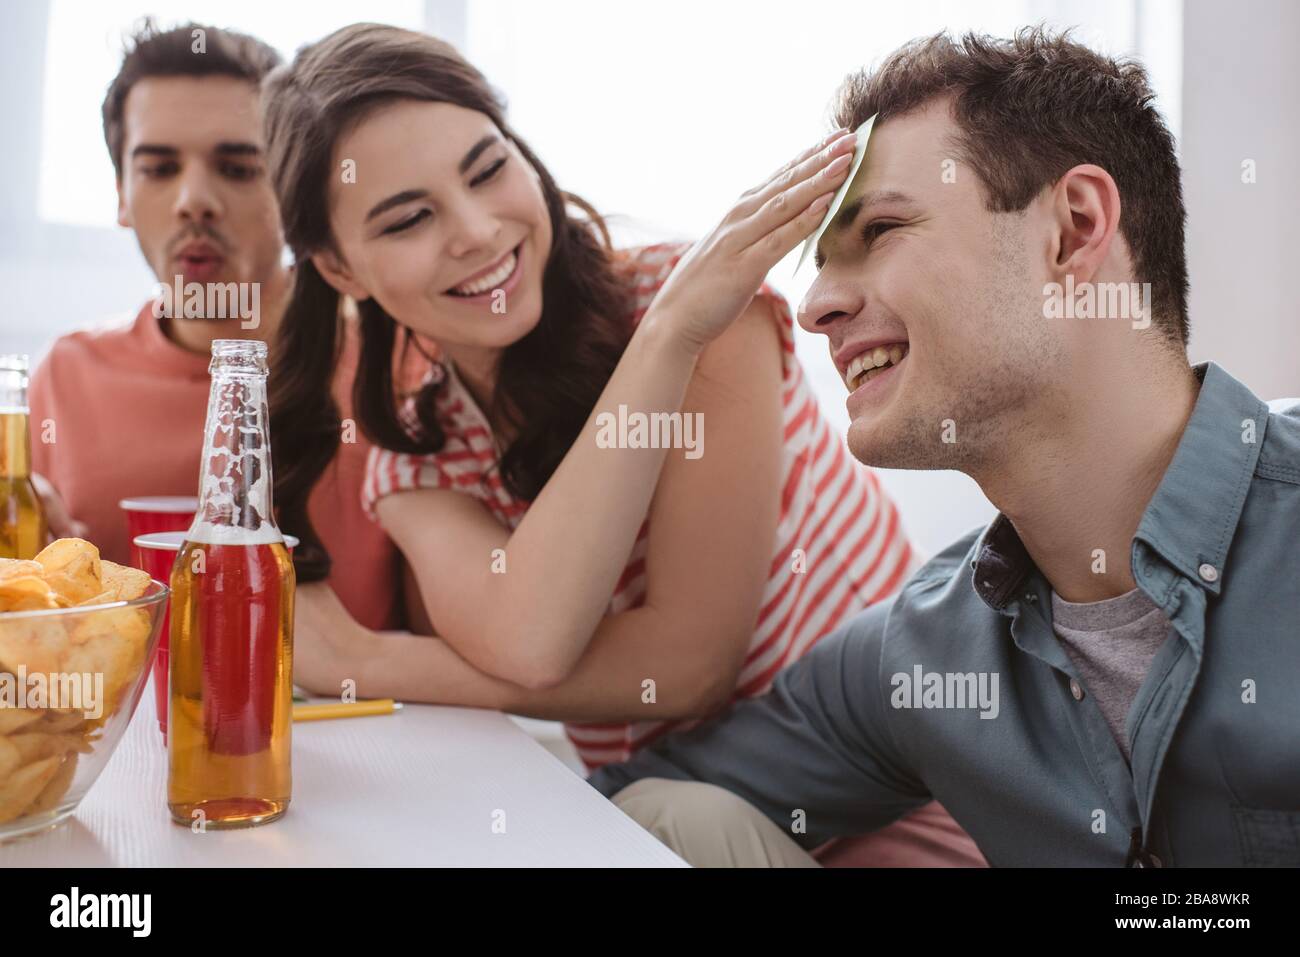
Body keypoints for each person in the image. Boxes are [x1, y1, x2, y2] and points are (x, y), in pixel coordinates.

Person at [265, 23, 981, 866]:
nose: (475, 230)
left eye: (488, 169)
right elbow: (532, 645)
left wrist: (363, 658)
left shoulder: (699, 314)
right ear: (341, 271)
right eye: (408, 219)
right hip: (667, 819)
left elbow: (685, 667)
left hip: (892, 798)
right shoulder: (415, 448)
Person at [587, 28, 1300, 867]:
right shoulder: (924, 652)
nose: (814, 307)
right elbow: (604, 811)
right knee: (673, 819)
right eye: (817, 267)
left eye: (882, 229)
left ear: (1073, 229)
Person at [28, 21, 411, 631]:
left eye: (237, 168)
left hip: (372, 723)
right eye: (158, 168)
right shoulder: (66, 376)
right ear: (121, 195)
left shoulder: (397, 367)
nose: (194, 200)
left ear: (293, 188)